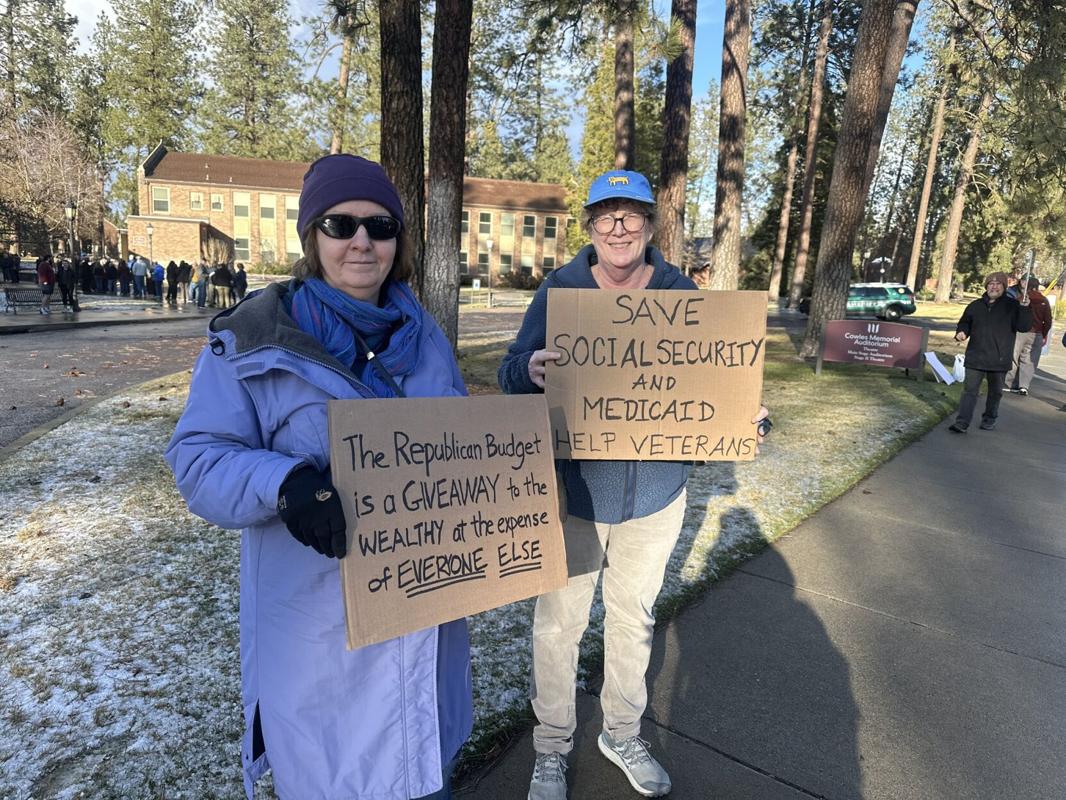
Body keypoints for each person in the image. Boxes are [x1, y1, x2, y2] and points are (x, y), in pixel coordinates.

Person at [164, 154, 472, 800]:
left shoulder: (428, 339)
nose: (362, 241)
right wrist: (284, 484)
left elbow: (459, 450)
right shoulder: (252, 342)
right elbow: (197, 458)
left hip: (422, 640)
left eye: (380, 226)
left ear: (398, 241)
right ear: (313, 236)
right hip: (323, 652)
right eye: (340, 224)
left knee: (422, 778)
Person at [498, 170, 770, 800]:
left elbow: (712, 381)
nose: (618, 229)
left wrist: (742, 415)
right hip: (573, 496)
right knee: (557, 627)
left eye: (631, 216)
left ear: (650, 224)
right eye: (606, 216)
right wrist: (527, 369)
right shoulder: (561, 290)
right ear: (591, 225)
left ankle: (621, 733)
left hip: (655, 497)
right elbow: (512, 369)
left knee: (633, 621)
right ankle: (551, 746)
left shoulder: (681, 293)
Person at [950, 271, 1032, 432]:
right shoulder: (975, 305)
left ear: (1004, 287)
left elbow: (1023, 326)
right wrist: (962, 332)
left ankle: (989, 418)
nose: (994, 287)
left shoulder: (1012, 306)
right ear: (986, 286)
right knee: (969, 391)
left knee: (995, 393)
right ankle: (962, 423)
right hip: (976, 356)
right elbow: (965, 322)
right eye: (991, 284)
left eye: (998, 284)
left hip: (999, 358)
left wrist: (1025, 309)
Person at [1005, 276, 1052, 395]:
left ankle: (1008, 382)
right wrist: (1043, 334)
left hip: (1020, 332)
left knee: (1014, 357)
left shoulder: (1022, 299)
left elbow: (1013, 314)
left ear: (1027, 286)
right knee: (1030, 361)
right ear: (1037, 287)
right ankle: (1024, 386)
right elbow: (1048, 320)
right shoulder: (1044, 301)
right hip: (1037, 334)